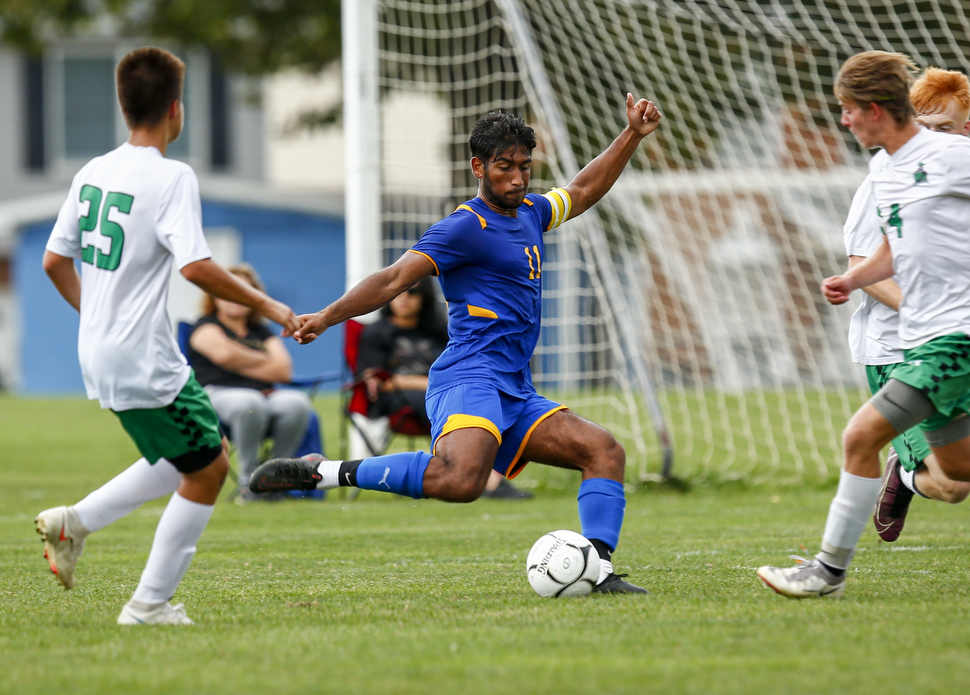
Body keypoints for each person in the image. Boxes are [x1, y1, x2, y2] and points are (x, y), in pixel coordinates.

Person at [251, 94, 662, 593]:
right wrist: (327, 316)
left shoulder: (532, 212)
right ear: (478, 167)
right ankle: (325, 472)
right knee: (462, 482)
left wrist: (632, 135)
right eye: (504, 167)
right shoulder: (465, 226)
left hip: (514, 387)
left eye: (524, 166)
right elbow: (394, 278)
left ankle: (596, 571)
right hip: (470, 376)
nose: (517, 178)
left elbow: (582, 189)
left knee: (603, 451)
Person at [34, 47, 299, 624]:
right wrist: (268, 304)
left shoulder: (92, 170)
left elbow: (54, 261)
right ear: (176, 109)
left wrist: (96, 315)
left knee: (193, 454)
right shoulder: (172, 175)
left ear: (123, 106)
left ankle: (74, 523)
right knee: (210, 470)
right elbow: (196, 267)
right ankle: (148, 605)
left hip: (100, 351)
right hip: (143, 355)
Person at [757, 50, 970, 598]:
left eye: (847, 110)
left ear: (873, 109)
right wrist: (854, 277)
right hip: (922, 341)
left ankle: (827, 571)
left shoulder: (952, 154)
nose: (843, 121)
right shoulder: (884, 168)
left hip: (957, 338)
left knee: (859, 437)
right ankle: (831, 568)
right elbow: (895, 244)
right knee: (963, 465)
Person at [860, 67, 970, 585]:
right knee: (952, 484)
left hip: (968, 340)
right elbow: (864, 268)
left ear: (966, 130)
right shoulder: (882, 175)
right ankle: (906, 475)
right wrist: (926, 313)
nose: (937, 139)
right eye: (927, 127)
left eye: (948, 129)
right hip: (901, 346)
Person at [355, 277, 531, 499]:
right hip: (395, 400)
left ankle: (485, 474)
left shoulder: (438, 329)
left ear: (425, 296)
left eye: (412, 292)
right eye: (399, 292)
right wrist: (426, 383)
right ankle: (483, 478)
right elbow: (377, 382)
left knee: (483, 403)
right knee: (445, 404)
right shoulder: (376, 332)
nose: (404, 298)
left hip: (442, 392)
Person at [187, 263, 314, 502]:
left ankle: (276, 478)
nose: (235, 298)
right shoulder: (204, 326)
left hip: (264, 395)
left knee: (297, 403)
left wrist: (239, 359)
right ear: (215, 297)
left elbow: (283, 370)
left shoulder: (261, 331)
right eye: (228, 291)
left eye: (243, 291)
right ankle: (249, 483)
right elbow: (224, 355)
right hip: (216, 394)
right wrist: (264, 359)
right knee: (249, 402)